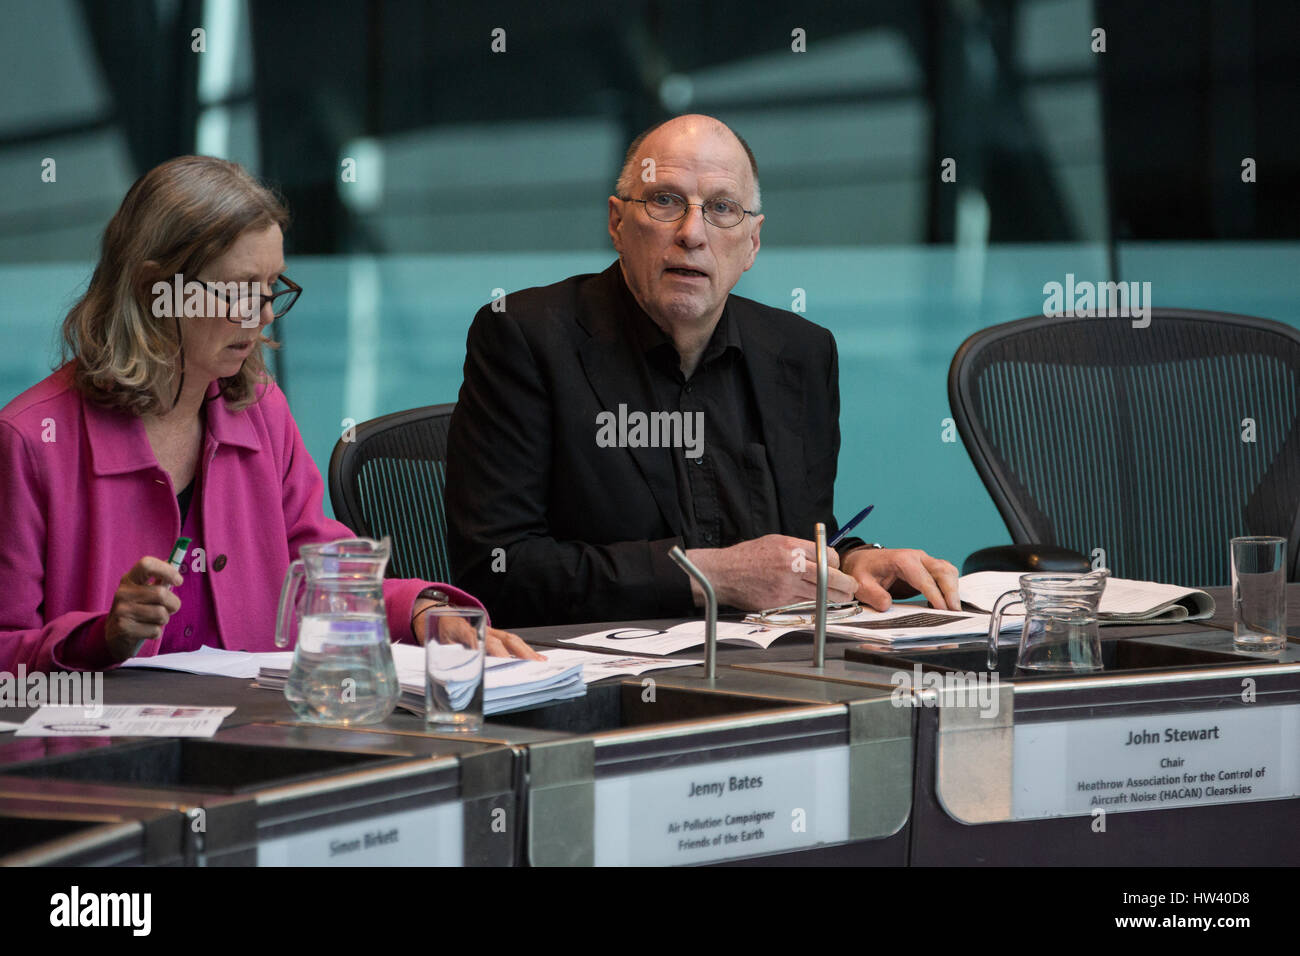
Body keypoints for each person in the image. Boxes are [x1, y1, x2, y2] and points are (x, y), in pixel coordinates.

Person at [0, 155, 539, 673]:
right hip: (106, 755)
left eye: (270, 288)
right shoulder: (30, 440)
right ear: (153, 290)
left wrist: (421, 611)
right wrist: (100, 637)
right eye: (237, 292)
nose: (261, 318)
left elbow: (318, 574)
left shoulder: (259, 409)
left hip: (256, 736)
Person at [446, 114, 959, 628]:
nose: (692, 233)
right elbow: (495, 572)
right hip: (600, 685)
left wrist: (851, 562)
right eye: (665, 201)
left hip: (772, 675)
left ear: (753, 243)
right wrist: (707, 575)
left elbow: (798, 540)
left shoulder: (801, 353)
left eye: (721, 209)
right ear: (617, 224)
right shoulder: (526, 338)